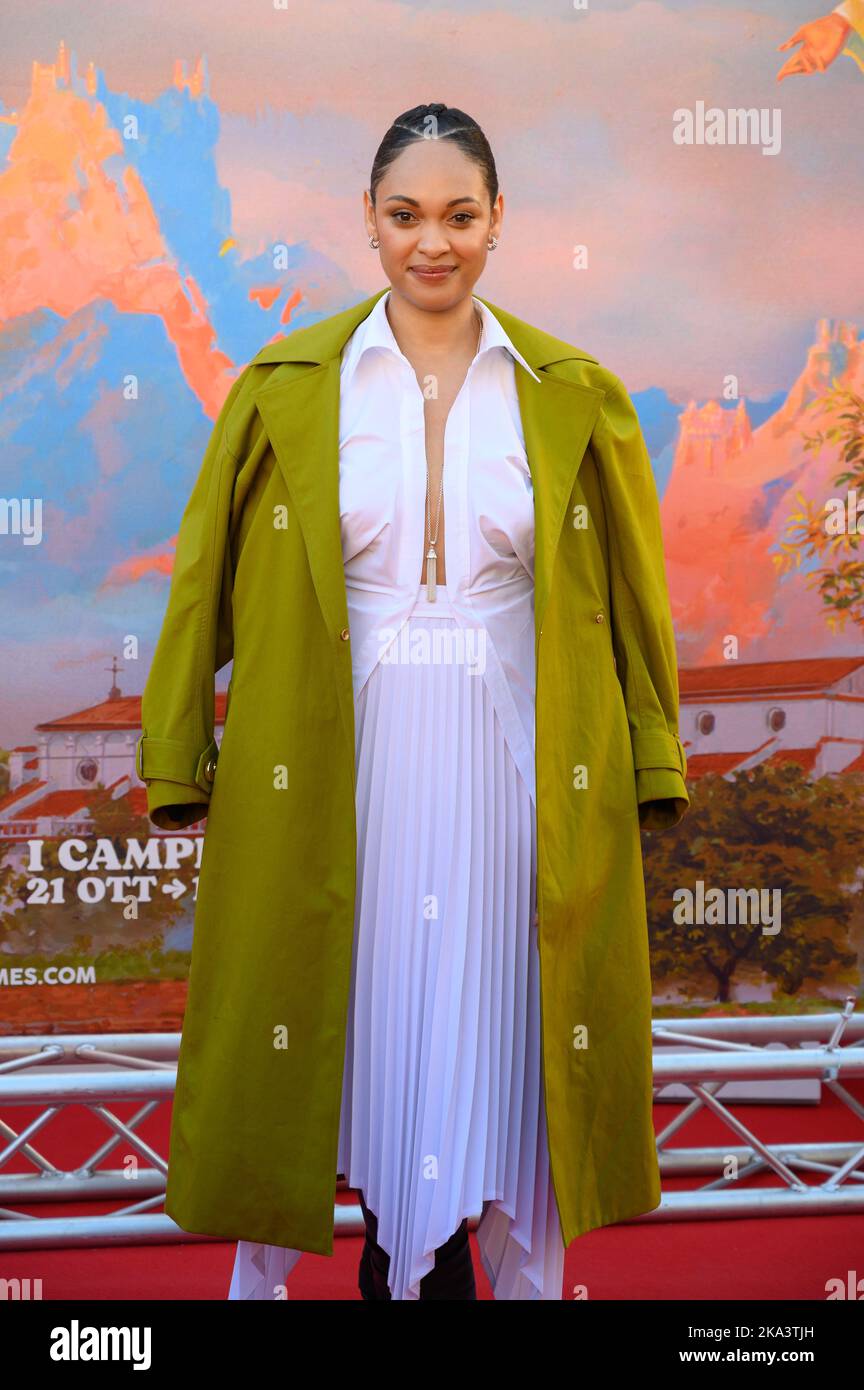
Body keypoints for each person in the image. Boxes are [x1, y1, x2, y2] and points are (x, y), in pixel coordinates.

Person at [139, 101, 688, 1304]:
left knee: (495, 1028)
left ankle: (458, 1260)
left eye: (459, 216)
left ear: (499, 223)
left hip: (514, 770)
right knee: (345, 1015)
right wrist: (178, 755)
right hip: (335, 767)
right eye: (404, 216)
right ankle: (377, 1253)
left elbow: (635, 599)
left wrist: (650, 756)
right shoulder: (286, 384)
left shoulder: (573, 392)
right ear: (368, 224)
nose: (430, 242)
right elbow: (200, 583)